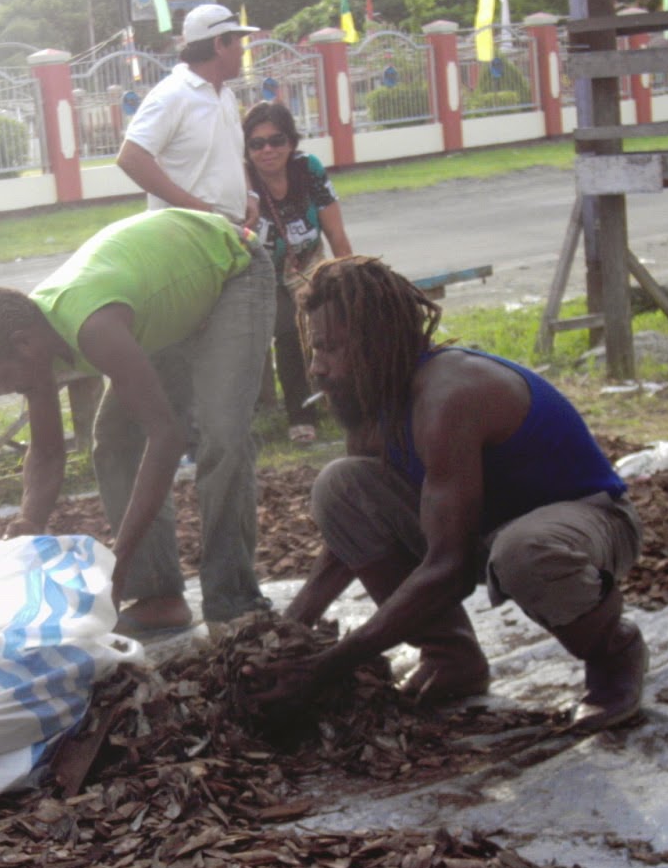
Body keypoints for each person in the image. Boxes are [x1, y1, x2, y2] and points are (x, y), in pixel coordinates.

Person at [252, 256, 647, 733]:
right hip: (486, 532)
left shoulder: (448, 395)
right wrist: (291, 630)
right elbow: (348, 538)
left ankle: (614, 651)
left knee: (522, 551)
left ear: (377, 343)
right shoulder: (371, 397)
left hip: (588, 524)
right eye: (314, 349)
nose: (317, 368)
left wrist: (328, 667)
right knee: (341, 485)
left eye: (331, 349)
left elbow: (450, 568)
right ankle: (451, 656)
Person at [0, 207, 275, 636]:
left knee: (222, 435)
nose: (6, 387)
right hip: (166, 305)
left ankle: (234, 604)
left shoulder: (93, 327)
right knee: (115, 441)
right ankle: (159, 595)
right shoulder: (36, 338)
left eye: (1, 376)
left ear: (23, 346)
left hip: (233, 270)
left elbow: (167, 438)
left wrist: (116, 565)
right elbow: (47, 452)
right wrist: (29, 524)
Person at [243, 101, 352, 445]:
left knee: (337, 317)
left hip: (311, 266)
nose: (268, 150)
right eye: (257, 143)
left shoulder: (309, 169)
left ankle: (348, 398)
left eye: (276, 140)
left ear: (291, 142)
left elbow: (335, 232)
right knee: (290, 329)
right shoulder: (242, 182)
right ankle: (301, 414)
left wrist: (349, 278)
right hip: (262, 278)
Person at [116, 3, 260, 226]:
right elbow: (131, 157)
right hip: (186, 233)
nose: (242, 50)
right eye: (237, 41)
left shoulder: (226, 96)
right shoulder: (172, 95)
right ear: (219, 44)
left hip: (228, 230)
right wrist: (195, 208)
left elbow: (232, 156)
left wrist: (249, 195)